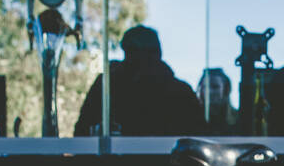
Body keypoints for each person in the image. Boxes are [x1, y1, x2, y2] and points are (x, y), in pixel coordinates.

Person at [74, 25, 203, 136]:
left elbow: (196, 135)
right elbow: (83, 132)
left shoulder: (179, 92)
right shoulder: (108, 86)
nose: (138, 60)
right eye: (132, 52)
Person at [197, 68, 238, 134]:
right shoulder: (193, 117)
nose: (209, 92)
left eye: (215, 87)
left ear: (226, 90)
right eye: (205, 87)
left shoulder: (238, 118)